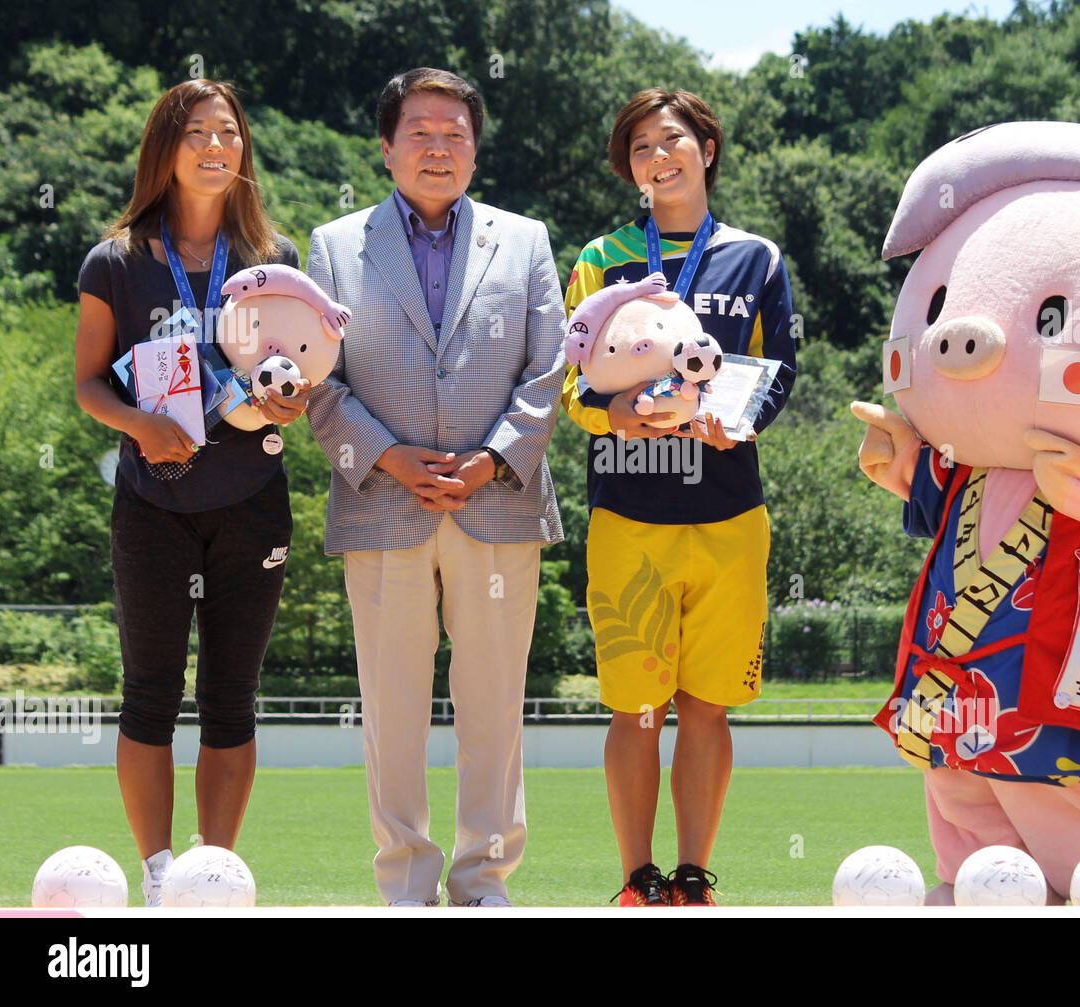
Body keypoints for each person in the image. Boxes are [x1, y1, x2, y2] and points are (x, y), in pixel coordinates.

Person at [305, 68, 566, 907]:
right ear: (385, 149)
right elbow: (318, 380)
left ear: (476, 149)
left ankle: (484, 876)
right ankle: (407, 879)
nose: (438, 147)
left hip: (499, 501)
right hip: (384, 503)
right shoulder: (334, 246)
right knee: (392, 711)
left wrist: (494, 456)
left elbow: (551, 367)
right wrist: (387, 456)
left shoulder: (524, 240)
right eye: (419, 131)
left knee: (495, 705)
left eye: (456, 133)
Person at [74, 80, 308, 905]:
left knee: (231, 696)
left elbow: (300, 374)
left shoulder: (272, 262)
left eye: (229, 133)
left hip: (252, 502)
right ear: (165, 148)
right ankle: (157, 871)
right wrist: (141, 426)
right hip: (154, 503)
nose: (216, 146)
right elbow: (88, 385)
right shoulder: (117, 258)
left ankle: (212, 875)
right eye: (197, 133)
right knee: (148, 690)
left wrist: (289, 399)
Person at [562, 88, 797, 905]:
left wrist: (743, 424)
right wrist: (618, 411)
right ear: (630, 170)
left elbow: (782, 373)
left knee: (706, 706)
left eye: (673, 141)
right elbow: (570, 386)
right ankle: (636, 876)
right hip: (628, 517)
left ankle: (693, 874)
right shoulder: (600, 258)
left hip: (731, 514)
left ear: (707, 146)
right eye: (640, 150)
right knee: (635, 709)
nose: (659, 159)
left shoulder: (757, 258)